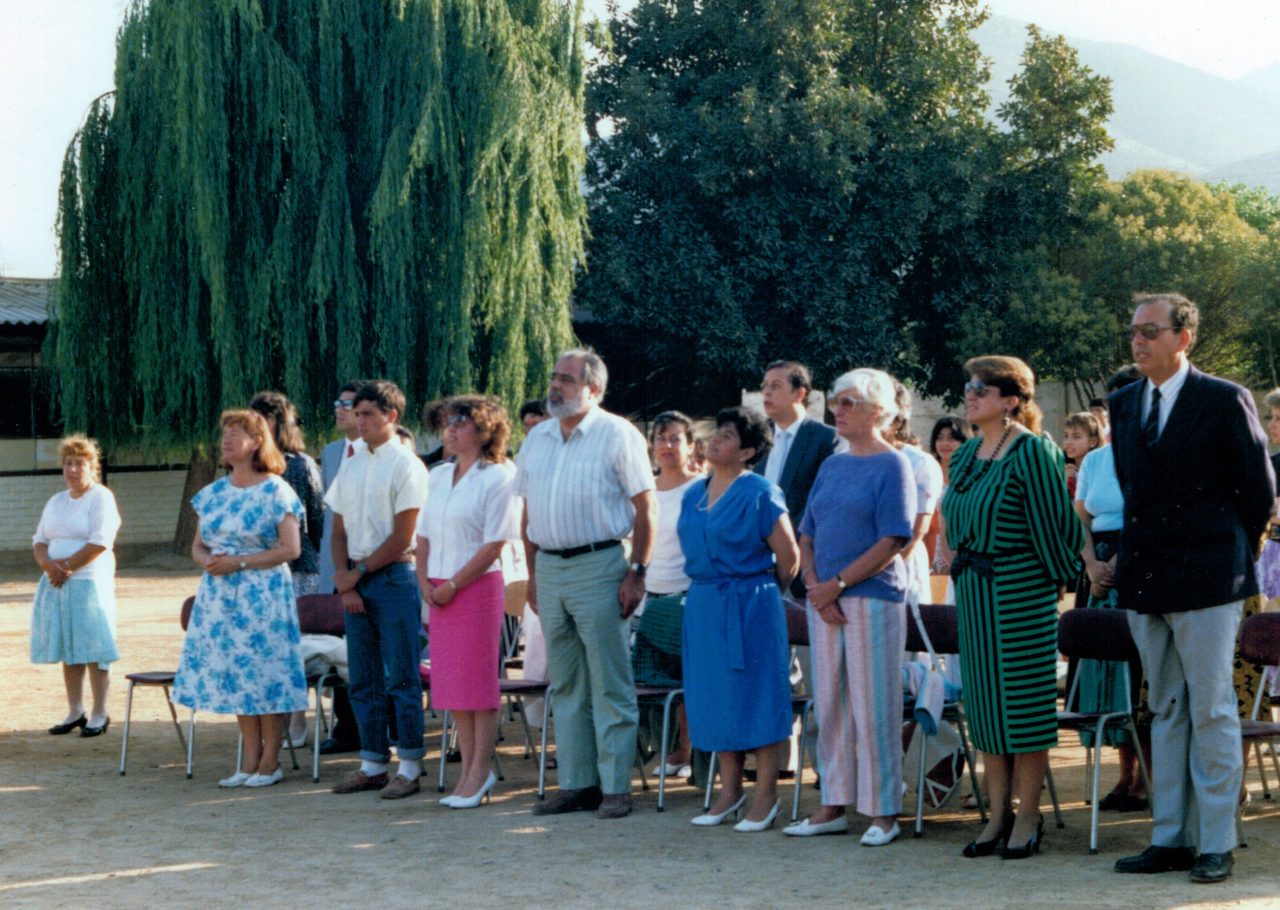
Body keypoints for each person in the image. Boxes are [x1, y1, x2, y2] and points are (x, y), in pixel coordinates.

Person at [1110, 293, 1275, 884]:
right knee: (1165, 709)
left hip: (1208, 577)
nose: (1137, 340)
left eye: (1150, 331)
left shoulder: (1224, 398)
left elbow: (1257, 491)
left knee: (1212, 708)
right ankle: (1170, 837)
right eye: (1133, 331)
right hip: (1146, 579)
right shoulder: (1124, 402)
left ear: (1184, 338)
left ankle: (1216, 841)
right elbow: (1133, 488)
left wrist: (1231, 547)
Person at [941, 355, 1082, 860]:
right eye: (969, 386)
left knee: (1022, 709)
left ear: (1011, 400)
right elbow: (954, 521)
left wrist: (1057, 582)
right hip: (974, 594)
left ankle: (1027, 814)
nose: (971, 395)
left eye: (983, 388)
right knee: (986, 709)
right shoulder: (962, 455)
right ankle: (996, 813)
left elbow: (1056, 527)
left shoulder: (1034, 451)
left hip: (1021, 590)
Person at [517, 348, 656, 819]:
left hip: (600, 565)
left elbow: (646, 509)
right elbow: (527, 514)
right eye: (554, 377)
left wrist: (637, 572)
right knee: (568, 682)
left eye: (567, 380)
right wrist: (533, 576)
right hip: (551, 568)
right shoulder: (537, 440)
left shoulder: (618, 434)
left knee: (609, 680)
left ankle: (617, 786)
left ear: (594, 389)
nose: (555, 386)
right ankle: (578, 783)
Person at [786, 369, 914, 845]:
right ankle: (833, 802)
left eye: (849, 403)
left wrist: (837, 584)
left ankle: (883, 811)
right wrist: (816, 585)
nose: (837, 411)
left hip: (872, 597)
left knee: (872, 704)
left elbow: (893, 538)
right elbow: (808, 530)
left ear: (879, 411)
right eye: (836, 402)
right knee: (831, 705)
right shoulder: (832, 464)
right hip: (825, 601)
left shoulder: (892, 464)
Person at [171, 410, 308, 788]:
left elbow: (291, 548)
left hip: (263, 594)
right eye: (225, 435)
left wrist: (241, 562)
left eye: (237, 434)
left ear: (257, 442)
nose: (227, 441)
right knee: (237, 677)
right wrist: (210, 562)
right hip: (220, 596)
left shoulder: (276, 490)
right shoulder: (212, 494)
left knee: (266, 675)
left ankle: (270, 762)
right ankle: (248, 761)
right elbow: (196, 545)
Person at [680, 407, 799, 832]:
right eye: (716, 433)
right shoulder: (693, 493)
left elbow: (789, 557)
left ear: (747, 451)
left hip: (751, 603)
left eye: (727, 437)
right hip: (705, 604)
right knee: (713, 697)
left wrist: (762, 592)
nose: (714, 441)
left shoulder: (761, 492)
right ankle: (729, 791)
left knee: (757, 697)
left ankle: (766, 795)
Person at [326, 380, 431, 800]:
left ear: (391, 416)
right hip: (356, 578)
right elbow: (338, 530)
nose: (359, 419)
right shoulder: (351, 464)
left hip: (393, 578)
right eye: (356, 411)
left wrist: (361, 571)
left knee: (402, 677)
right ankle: (372, 762)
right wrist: (343, 577)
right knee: (362, 676)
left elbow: (404, 535)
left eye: (368, 413)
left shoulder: (406, 465)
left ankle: (409, 765)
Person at [415, 395, 520, 809]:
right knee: (453, 684)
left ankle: (480, 769)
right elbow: (422, 536)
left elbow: (494, 543)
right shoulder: (437, 475)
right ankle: (465, 772)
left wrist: (454, 584)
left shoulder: (498, 477)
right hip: (437, 588)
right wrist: (425, 581)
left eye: (460, 423)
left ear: (484, 429)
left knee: (477, 683)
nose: (451, 431)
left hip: (474, 588)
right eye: (447, 424)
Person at [1073, 366, 1152, 813]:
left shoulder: (1154, 452)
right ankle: (1124, 777)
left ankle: (1147, 778)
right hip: (1098, 566)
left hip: (1139, 562)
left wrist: (1118, 564)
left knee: (1140, 674)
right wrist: (1092, 565)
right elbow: (1080, 514)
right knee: (1110, 678)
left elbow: (1148, 512)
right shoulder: (1096, 459)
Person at [31, 435, 122, 738]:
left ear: (92, 467)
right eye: (68, 463)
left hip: (88, 582)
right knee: (70, 648)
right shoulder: (55, 501)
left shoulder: (100, 497)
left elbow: (100, 541)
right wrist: (49, 566)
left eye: (79, 464)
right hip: (57, 583)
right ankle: (75, 710)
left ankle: (99, 712)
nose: (72, 470)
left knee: (95, 646)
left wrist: (67, 566)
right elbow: (40, 540)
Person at [250, 390, 326, 748]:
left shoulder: (300, 464)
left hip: (299, 569)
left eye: (265, 418)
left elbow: (318, 519)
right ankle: (270, 720)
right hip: (257, 571)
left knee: (294, 646)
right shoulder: (249, 467)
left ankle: (298, 718)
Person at [636, 410, 703, 774]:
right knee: (659, 678)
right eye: (660, 438)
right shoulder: (644, 487)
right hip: (650, 592)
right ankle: (674, 748)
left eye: (675, 438)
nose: (666, 445)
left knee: (690, 678)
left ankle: (691, 752)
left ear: (691, 445)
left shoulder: (702, 487)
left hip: (688, 591)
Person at [315, 380, 366, 755]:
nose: (340, 409)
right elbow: (329, 517)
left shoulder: (383, 450)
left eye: (348, 404)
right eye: (339, 402)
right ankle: (346, 727)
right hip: (334, 564)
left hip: (371, 564)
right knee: (339, 647)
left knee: (370, 649)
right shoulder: (332, 453)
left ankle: (381, 727)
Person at [888, 379, 942, 607]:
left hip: (899, 570)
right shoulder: (844, 458)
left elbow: (916, 532)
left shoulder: (919, 462)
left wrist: (868, 574)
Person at [1256, 388, 1280, 603]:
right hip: (1272, 560)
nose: (1271, 425)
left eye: (1279, 419)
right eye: (1271, 417)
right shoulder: (1271, 466)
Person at [1061, 411, 1103, 500]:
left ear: (1093, 441)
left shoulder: (1100, 471)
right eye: (1066, 436)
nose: (1068, 442)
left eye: (1076, 436)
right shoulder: (1060, 467)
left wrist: (1071, 481)